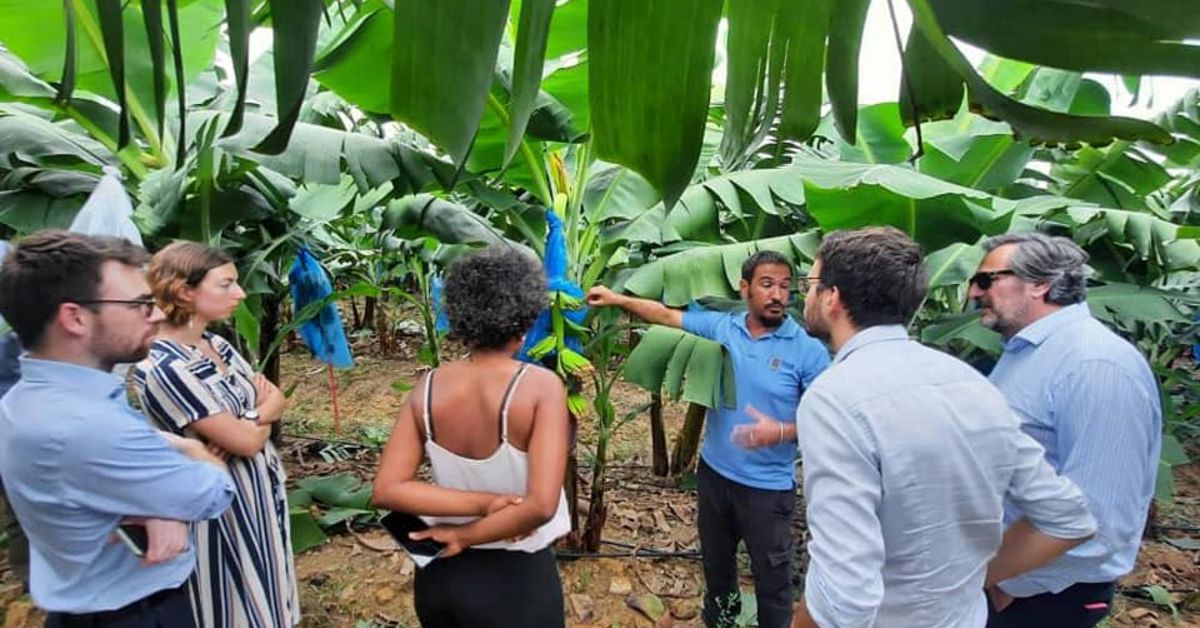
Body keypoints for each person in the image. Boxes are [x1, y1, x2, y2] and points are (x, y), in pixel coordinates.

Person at [786, 227, 1098, 628]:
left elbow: (846, 594)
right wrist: (970, 581)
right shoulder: (970, 383)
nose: (805, 294)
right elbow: (1069, 518)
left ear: (833, 298)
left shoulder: (836, 397)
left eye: (811, 284)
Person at [0, 230, 235, 627]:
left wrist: (157, 502)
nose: (157, 314)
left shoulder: (29, 399)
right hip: (132, 616)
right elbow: (213, 493)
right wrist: (193, 452)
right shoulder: (87, 425)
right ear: (74, 317)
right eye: (140, 304)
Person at [587, 250, 829, 628]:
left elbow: (829, 420)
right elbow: (668, 316)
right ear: (745, 288)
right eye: (767, 285)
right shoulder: (725, 328)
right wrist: (618, 299)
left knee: (773, 585)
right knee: (718, 573)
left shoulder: (808, 351)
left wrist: (779, 431)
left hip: (767, 491)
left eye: (785, 286)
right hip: (715, 477)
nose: (778, 295)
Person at [372, 246, 571, 628]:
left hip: (440, 578)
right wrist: (468, 533)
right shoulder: (541, 387)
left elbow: (387, 489)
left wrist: (480, 505)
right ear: (524, 322)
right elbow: (540, 506)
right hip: (516, 581)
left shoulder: (427, 387)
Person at [970, 233, 1162, 628]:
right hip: (1002, 578)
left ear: (1040, 284)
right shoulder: (1028, 353)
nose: (974, 291)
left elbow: (1100, 514)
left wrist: (1011, 586)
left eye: (987, 280)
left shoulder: (1095, 364)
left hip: (1041, 594)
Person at [130, 242, 299, 628]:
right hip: (216, 505)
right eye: (225, 285)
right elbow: (245, 440)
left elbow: (274, 400)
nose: (239, 294)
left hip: (257, 496)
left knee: (267, 588)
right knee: (228, 600)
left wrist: (251, 417)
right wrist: (256, 418)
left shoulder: (218, 344)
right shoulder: (163, 366)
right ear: (185, 291)